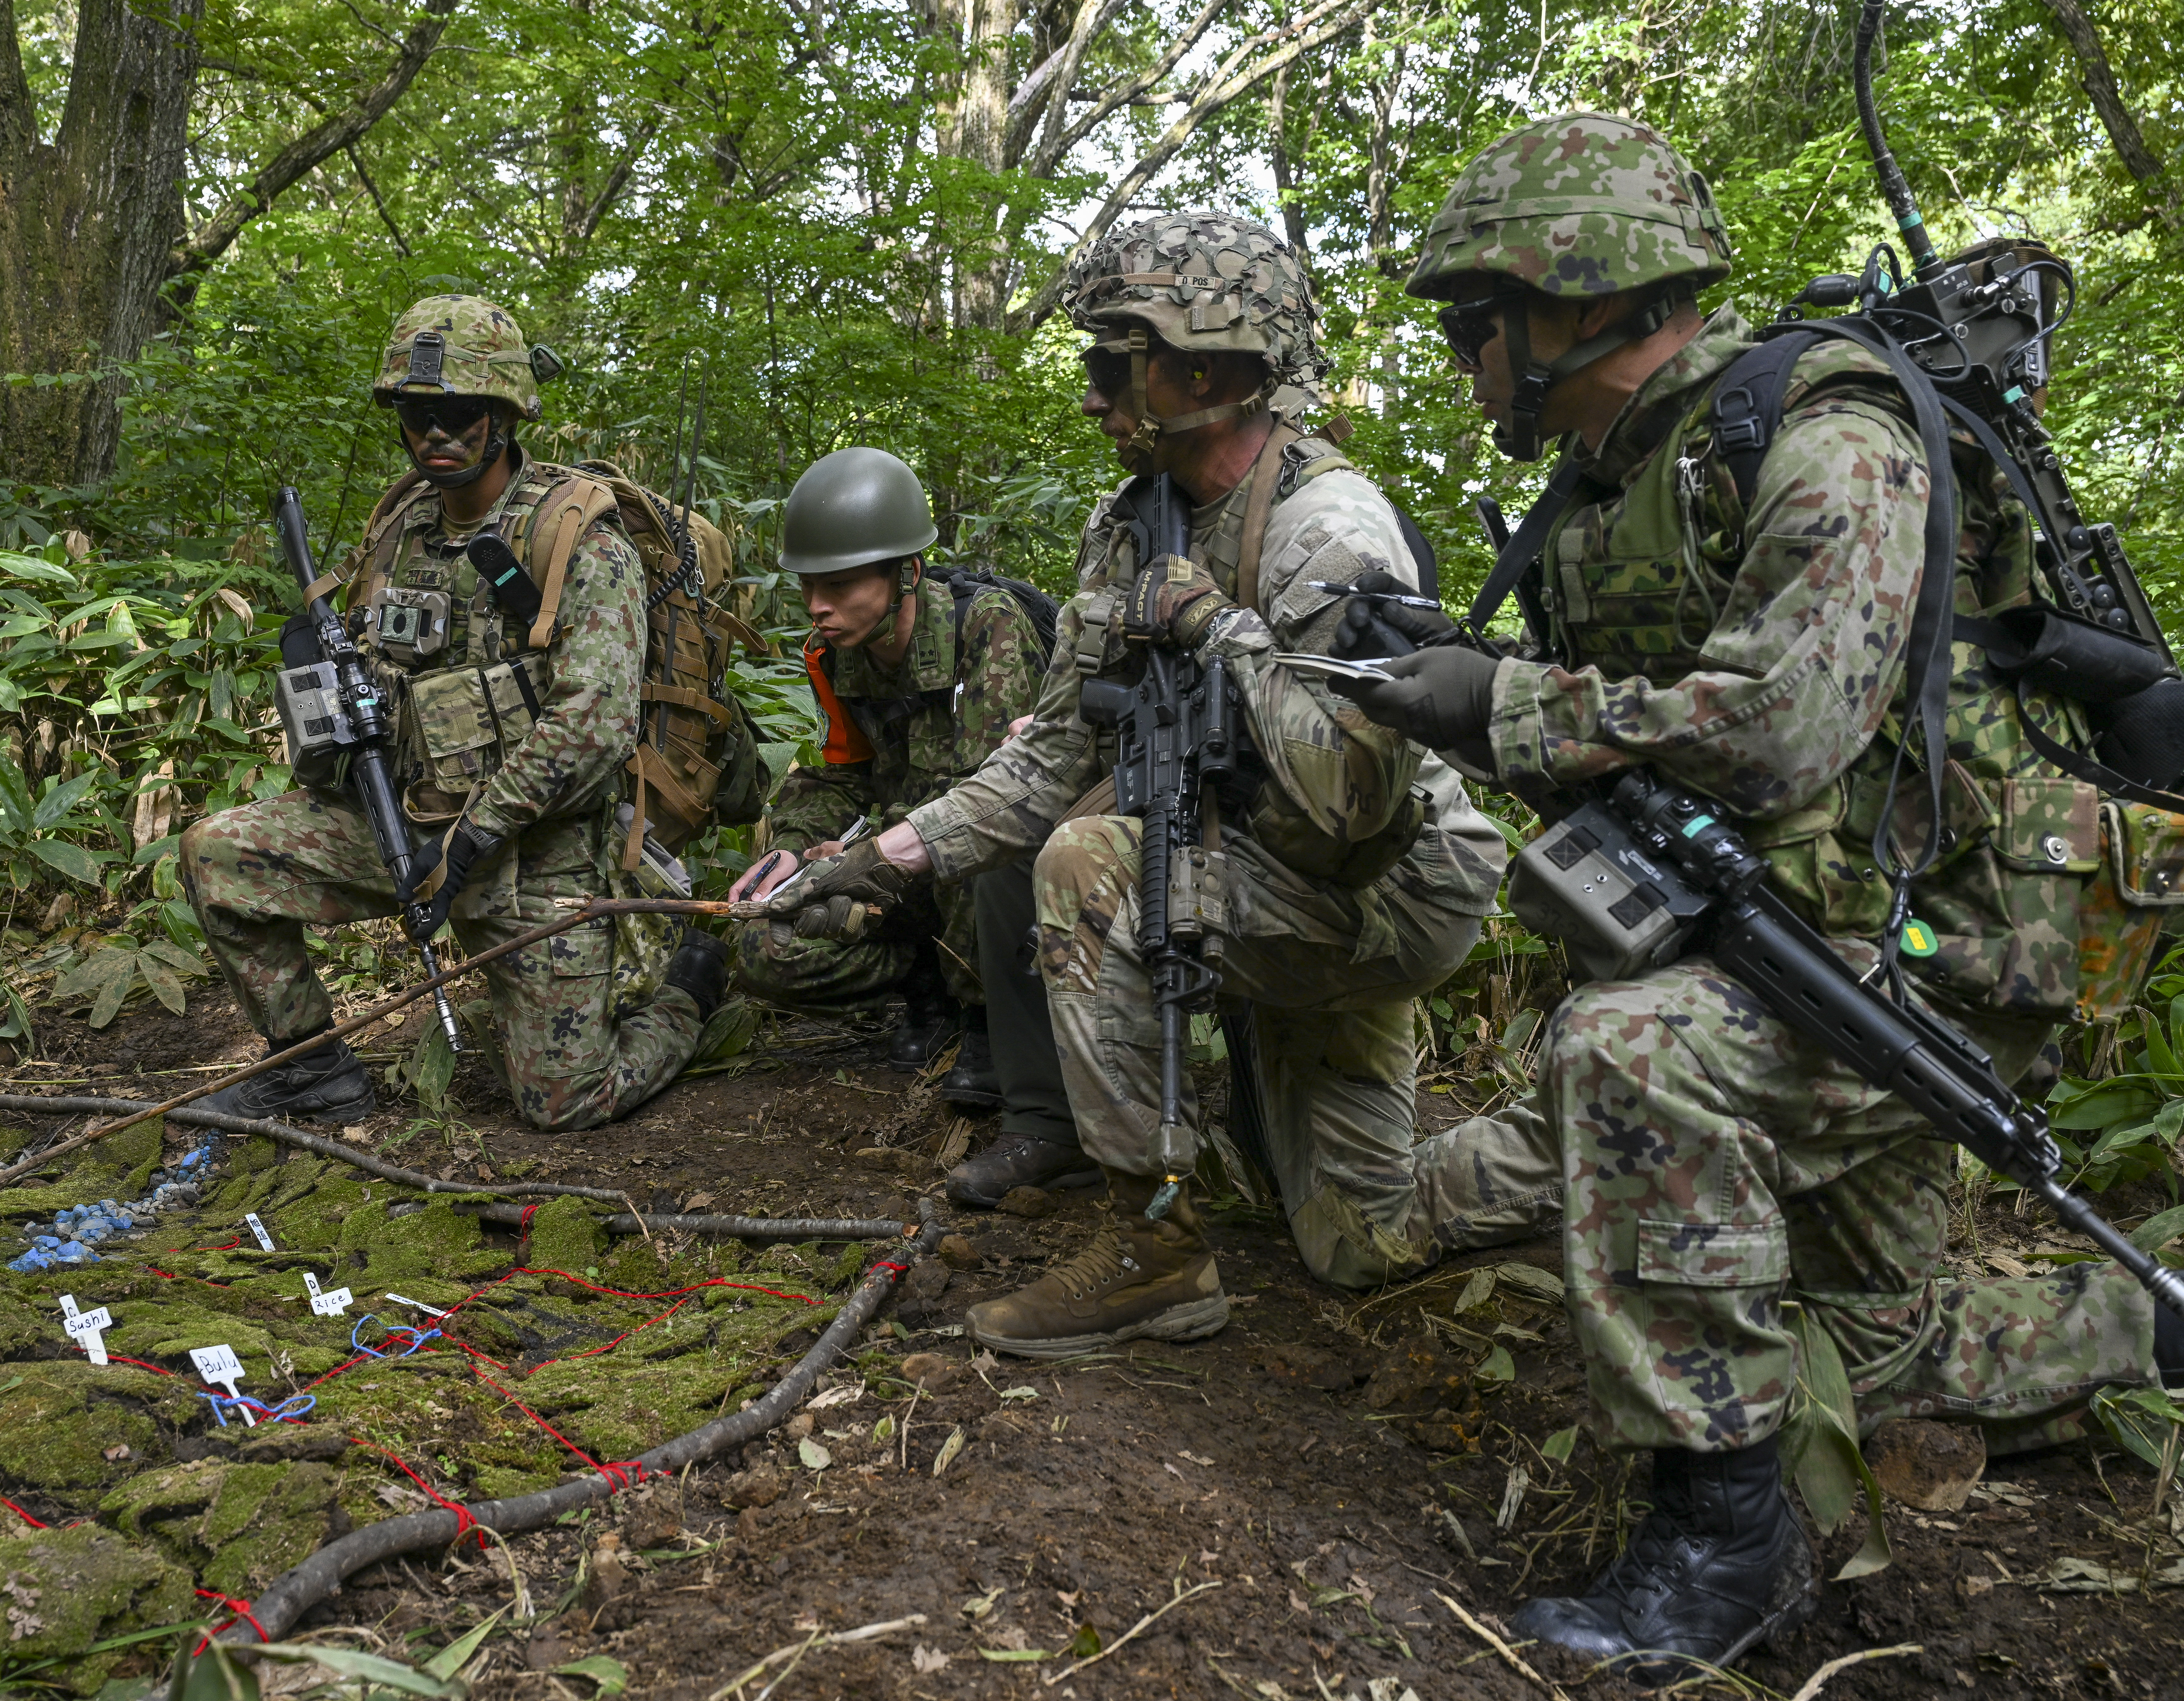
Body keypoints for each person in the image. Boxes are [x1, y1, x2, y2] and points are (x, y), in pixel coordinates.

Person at [1324, 113, 2175, 1680]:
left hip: (1951, 957)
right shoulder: (1602, 487)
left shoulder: (1823, 437)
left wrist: (1498, 705)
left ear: (1575, 303)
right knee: (1868, 1354)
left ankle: (1721, 1550)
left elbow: (1781, 723)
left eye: (1472, 328)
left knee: (1629, 1058)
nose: (1463, 364)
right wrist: (1443, 666)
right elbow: (1630, 737)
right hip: (1810, 942)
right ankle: (2148, 1321)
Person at [753, 211, 1516, 1347]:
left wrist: (1225, 636)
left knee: (1085, 862)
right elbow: (1046, 756)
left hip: (1385, 893)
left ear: (1204, 369)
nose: (1092, 397)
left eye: (1116, 365)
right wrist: (872, 859)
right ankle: (1607, 1142)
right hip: (1268, 876)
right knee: (1360, 1239)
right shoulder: (1128, 530)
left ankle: (1150, 1246)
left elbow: (1355, 796)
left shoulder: (1329, 530)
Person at [182, 295, 729, 1130]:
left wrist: (474, 840)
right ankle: (310, 1069)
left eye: (460, 416)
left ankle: (689, 987)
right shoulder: (399, 532)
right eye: (417, 415)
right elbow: (368, 665)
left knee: (564, 1105)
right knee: (220, 855)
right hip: (406, 826)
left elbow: (594, 722)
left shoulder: (578, 541)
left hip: (538, 855)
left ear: (505, 419)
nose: (436, 436)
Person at [724, 448, 1054, 1123]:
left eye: (841, 586)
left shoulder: (986, 630)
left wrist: (865, 861)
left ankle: (989, 1021)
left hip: (990, 865)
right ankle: (925, 984)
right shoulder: (832, 655)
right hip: (893, 870)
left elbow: (994, 800)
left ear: (906, 574)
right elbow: (837, 776)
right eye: (809, 586)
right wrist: (795, 851)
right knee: (764, 949)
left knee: (977, 864)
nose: (818, 608)